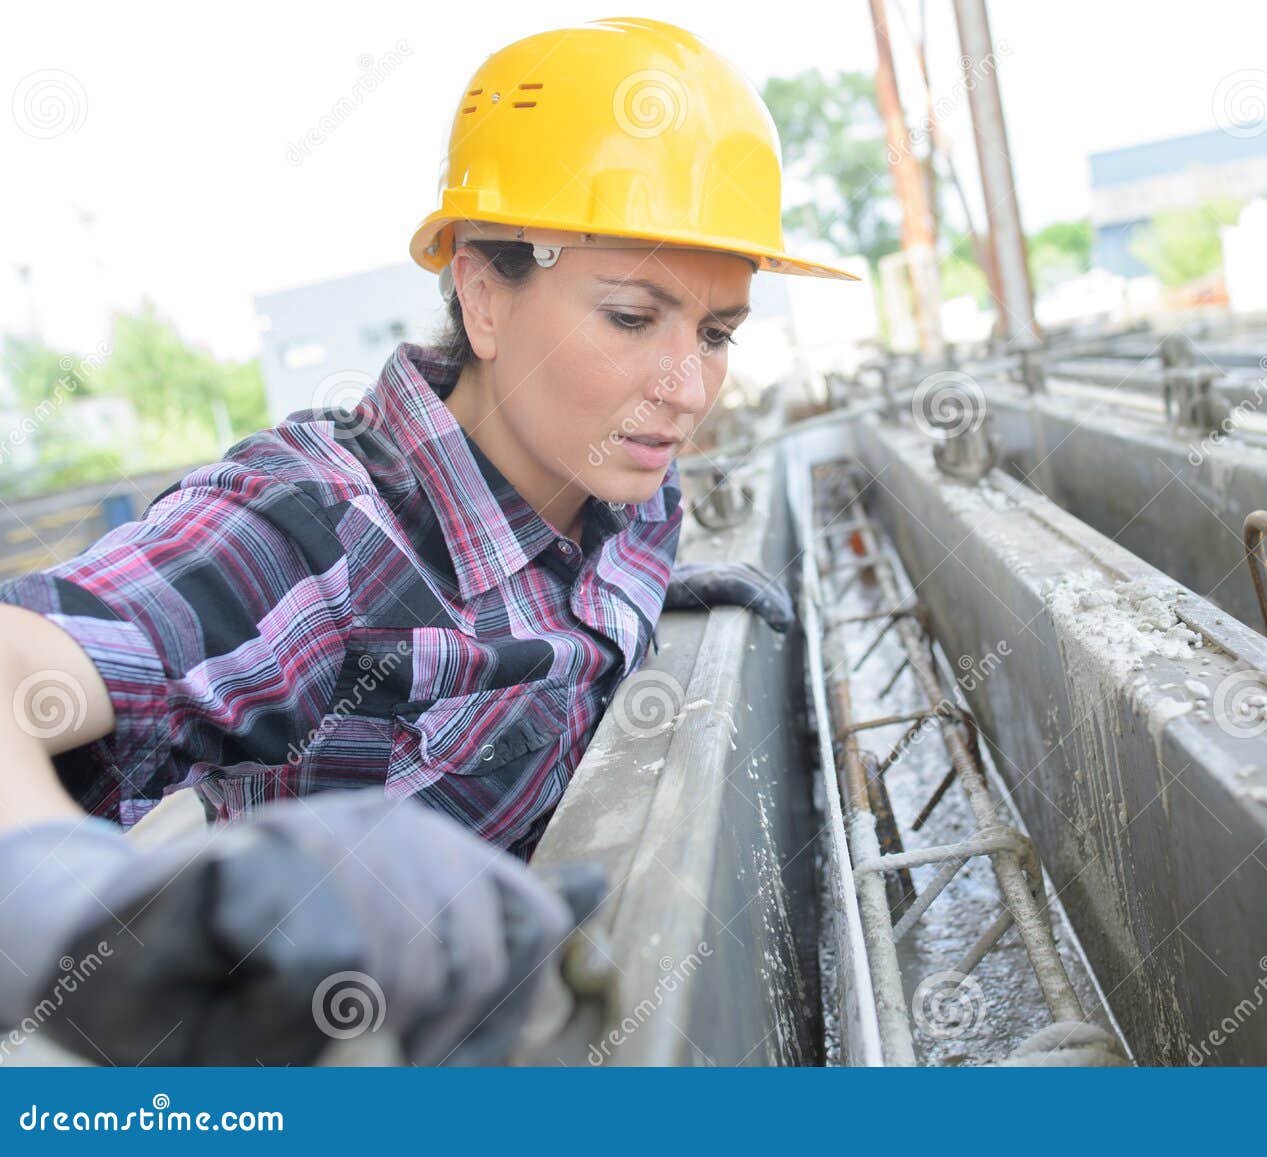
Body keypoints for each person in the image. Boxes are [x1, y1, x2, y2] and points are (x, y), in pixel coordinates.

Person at [0, 16, 856, 1065]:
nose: (686, 389)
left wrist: (636, 602)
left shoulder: (623, 480)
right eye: (634, 318)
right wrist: (86, 906)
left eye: (716, 333)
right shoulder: (312, 532)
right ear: (484, 294)